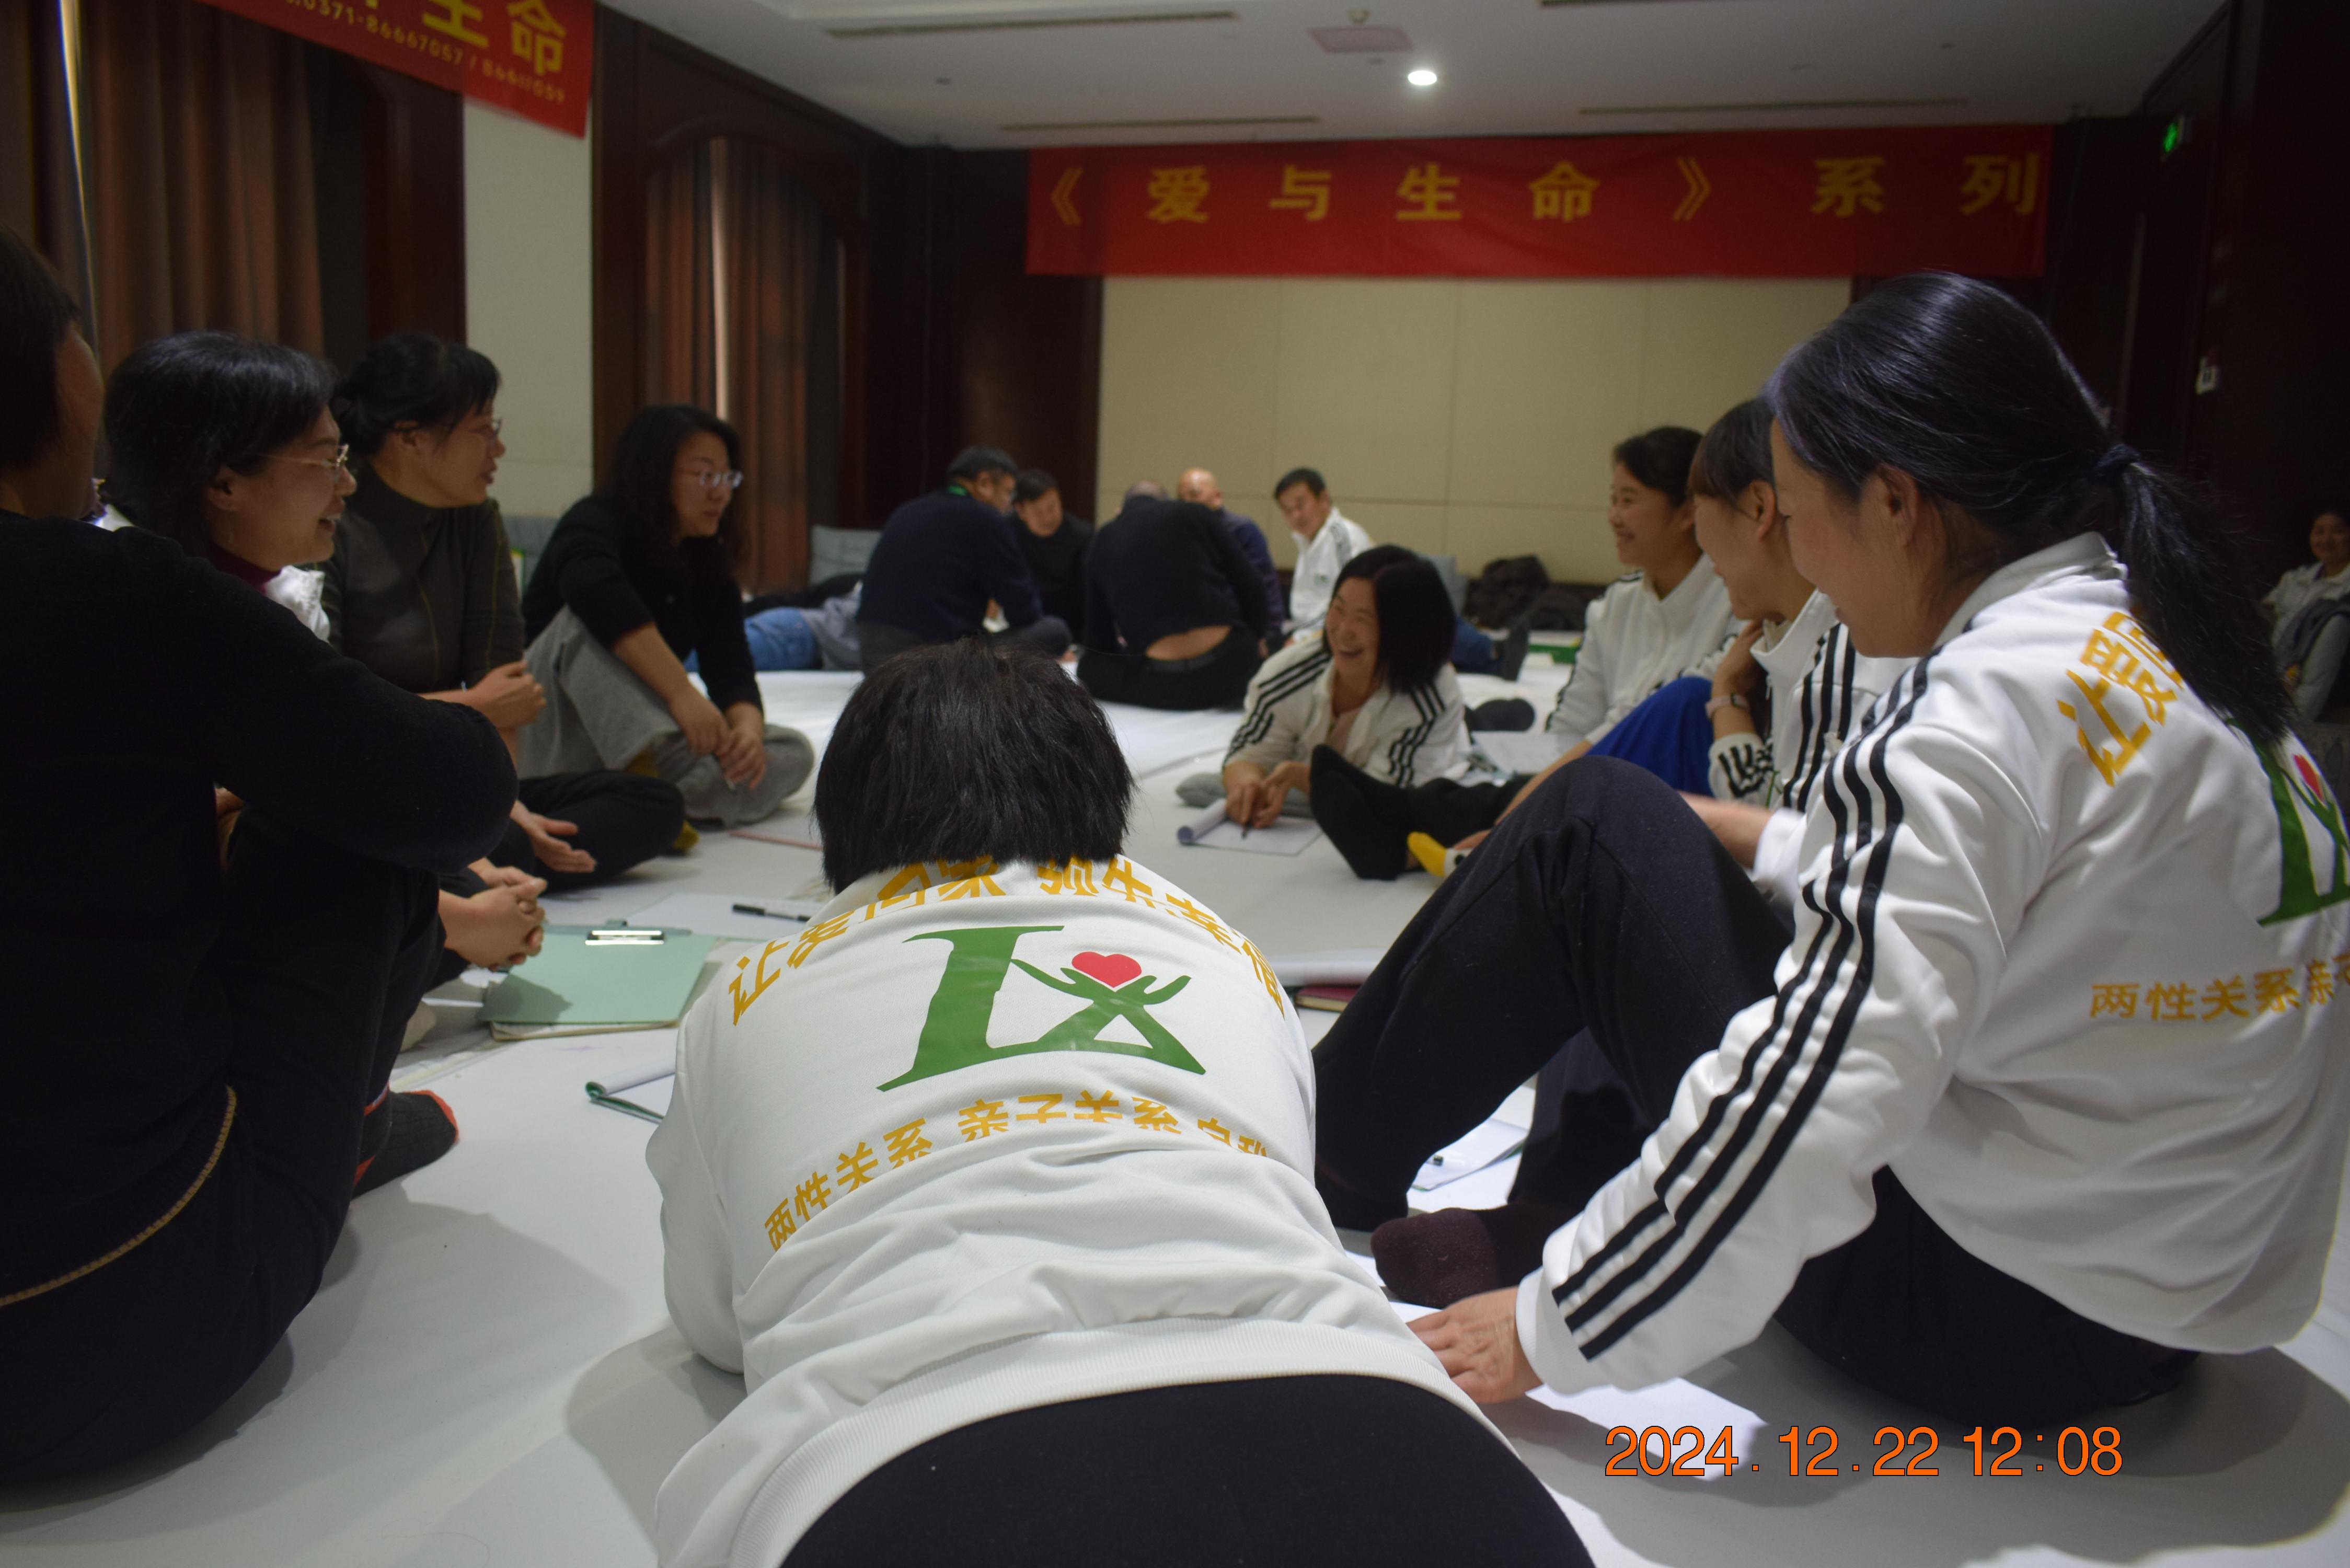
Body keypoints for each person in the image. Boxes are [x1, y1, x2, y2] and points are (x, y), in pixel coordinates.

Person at [1318, 273, 2347, 1431]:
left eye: (1798, 507)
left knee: (1591, 824)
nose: (1797, 551)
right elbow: (2023, 887)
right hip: (2161, 1304)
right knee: (1656, 844)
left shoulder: (1982, 703)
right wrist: (1762, 836)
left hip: (2005, 1322)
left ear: (1895, 502)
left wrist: (1555, 1326)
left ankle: (1315, 1165)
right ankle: (1549, 1200)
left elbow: (1816, 1090)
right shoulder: (2169, 642)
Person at [647, 640, 1586, 1568]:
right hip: (1385, 1419)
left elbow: (715, 1325)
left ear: (846, 819)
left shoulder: (748, 994)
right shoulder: (1224, 949)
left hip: (898, 1460)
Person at [0, 227, 512, 1479]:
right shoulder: (106, 588)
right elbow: (445, 787)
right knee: (354, 825)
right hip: (107, 1328)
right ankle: (346, 1132)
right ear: (55, 378)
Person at [107, 330, 552, 992]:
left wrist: (474, 870)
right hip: (144, 935)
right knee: (353, 859)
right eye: (326, 461)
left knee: (449, 845)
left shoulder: (287, 589)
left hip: (313, 839)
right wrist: (458, 917)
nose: (346, 483)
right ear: (224, 481)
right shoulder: (122, 599)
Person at [329, 332, 685, 893]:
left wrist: (502, 803)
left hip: (457, 774)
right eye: (482, 430)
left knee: (655, 804)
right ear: (411, 438)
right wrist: (473, 705)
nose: (497, 449)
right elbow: (328, 708)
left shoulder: (475, 519)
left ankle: (473, 869)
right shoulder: (332, 522)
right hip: (366, 781)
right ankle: (474, 870)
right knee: (474, 840)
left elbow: (505, 684)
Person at [520, 405, 815, 827]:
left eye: (728, 478)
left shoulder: (707, 562)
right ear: (654, 474)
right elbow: (596, 592)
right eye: (706, 476)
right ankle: (652, 797)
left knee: (792, 750)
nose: (721, 494)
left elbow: (731, 667)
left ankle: (654, 798)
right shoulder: (593, 521)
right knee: (578, 625)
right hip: (554, 729)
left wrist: (747, 734)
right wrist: (681, 695)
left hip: (650, 736)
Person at [1679, 398, 1914, 905]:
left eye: (1697, 503)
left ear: (1761, 507)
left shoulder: (1846, 649)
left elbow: (1789, 853)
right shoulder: (1783, 631)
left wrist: (1724, 699)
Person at [1219, 546, 1467, 843]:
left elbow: (1392, 800)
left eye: (1364, 618)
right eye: (1338, 610)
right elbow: (1249, 752)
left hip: (1447, 750)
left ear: (1405, 631)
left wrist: (1307, 778)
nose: (1344, 630)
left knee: (1488, 722)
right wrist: (1246, 784)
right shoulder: (1288, 673)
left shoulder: (1432, 700)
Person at [857, 445, 1071, 672]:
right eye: (1007, 493)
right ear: (984, 484)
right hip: (928, 662)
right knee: (1054, 631)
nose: (1008, 504)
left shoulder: (907, 510)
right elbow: (1024, 610)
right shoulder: (986, 519)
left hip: (872, 657)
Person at [1076, 496, 1270, 710]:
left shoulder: (1105, 537)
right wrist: (1258, 637)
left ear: (1120, 512)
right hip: (1233, 669)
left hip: (1165, 683)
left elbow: (1098, 640)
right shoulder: (1194, 513)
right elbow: (1251, 584)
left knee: (1089, 668)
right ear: (1164, 502)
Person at [2265, 501, 2350, 726]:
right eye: (2319, 531)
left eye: (2338, 531)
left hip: (2327, 692)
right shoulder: (2295, 579)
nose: (2327, 540)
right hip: (2278, 679)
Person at [1177, 466, 1285, 630]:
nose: (1187, 503)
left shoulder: (1242, 530)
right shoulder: (1183, 536)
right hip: (1209, 627)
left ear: (1218, 497)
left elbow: (1255, 589)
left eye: (1194, 495)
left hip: (1255, 626)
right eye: (1181, 498)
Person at [1273, 466, 1372, 632]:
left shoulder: (1343, 537)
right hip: (1305, 630)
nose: (1295, 516)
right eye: (1288, 510)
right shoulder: (1306, 540)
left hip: (1334, 634)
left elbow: (1348, 605)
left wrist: (1298, 636)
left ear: (1324, 499)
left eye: (1300, 505)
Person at [1010, 467, 1093, 639]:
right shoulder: (1006, 531)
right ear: (1021, 511)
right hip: (1022, 626)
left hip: (1071, 628)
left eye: (1053, 507)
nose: (1048, 518)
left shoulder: (1081, 536)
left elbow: (1088, 598)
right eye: (1038, 512)